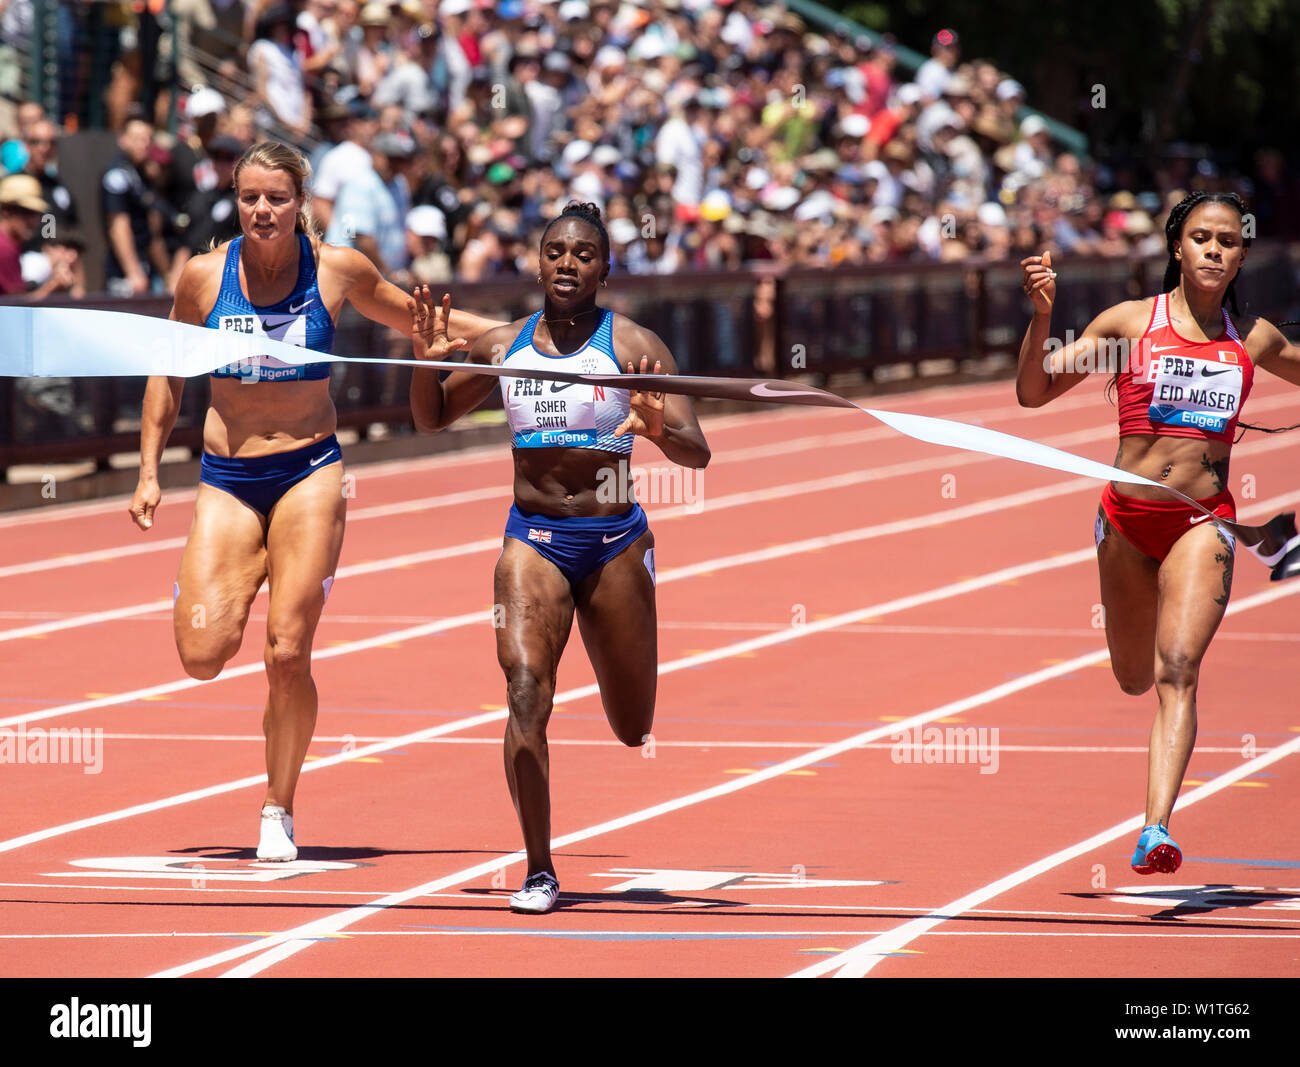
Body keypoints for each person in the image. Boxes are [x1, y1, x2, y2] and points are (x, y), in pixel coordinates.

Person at [127, 140, 501, 861]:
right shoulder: (204, 279)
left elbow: (420, 322)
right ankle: (226, 575)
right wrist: (149, 471)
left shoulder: (338, 271)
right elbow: (166, 374)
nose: (262, 211)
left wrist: (532, 338)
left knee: (287, 652)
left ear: (302, 202)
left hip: (310, 474)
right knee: (202, 653)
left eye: (276, 198)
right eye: (249, 198)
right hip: (229, 478)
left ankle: (277, 805)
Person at [408, 202, 711, 913]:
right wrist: (425, 367)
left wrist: (662, 428)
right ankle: (539, 868)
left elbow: (699, 451)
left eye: (582, 253)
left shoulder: (635, 344)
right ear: (537, 262)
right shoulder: (503, 345)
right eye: (554, 252)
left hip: (614, 544)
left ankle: (617, 728)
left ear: (605, 267)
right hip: (533, 540)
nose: (567, 263)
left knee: (633, 725)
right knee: (523, 691)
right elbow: (430, 416)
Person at [1015, 191, 1300, 875]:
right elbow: (1033, 391)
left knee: (1178, 669)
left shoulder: (1252, 338)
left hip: (1203, 522)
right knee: (1133, 675)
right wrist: (1043, 317)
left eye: (1227, 241)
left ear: (1240, 256)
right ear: (1177, 246)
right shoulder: (1130, 323)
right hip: (1126, 522)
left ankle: (1156, 828)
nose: (1213, 249)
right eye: (1200, 237)